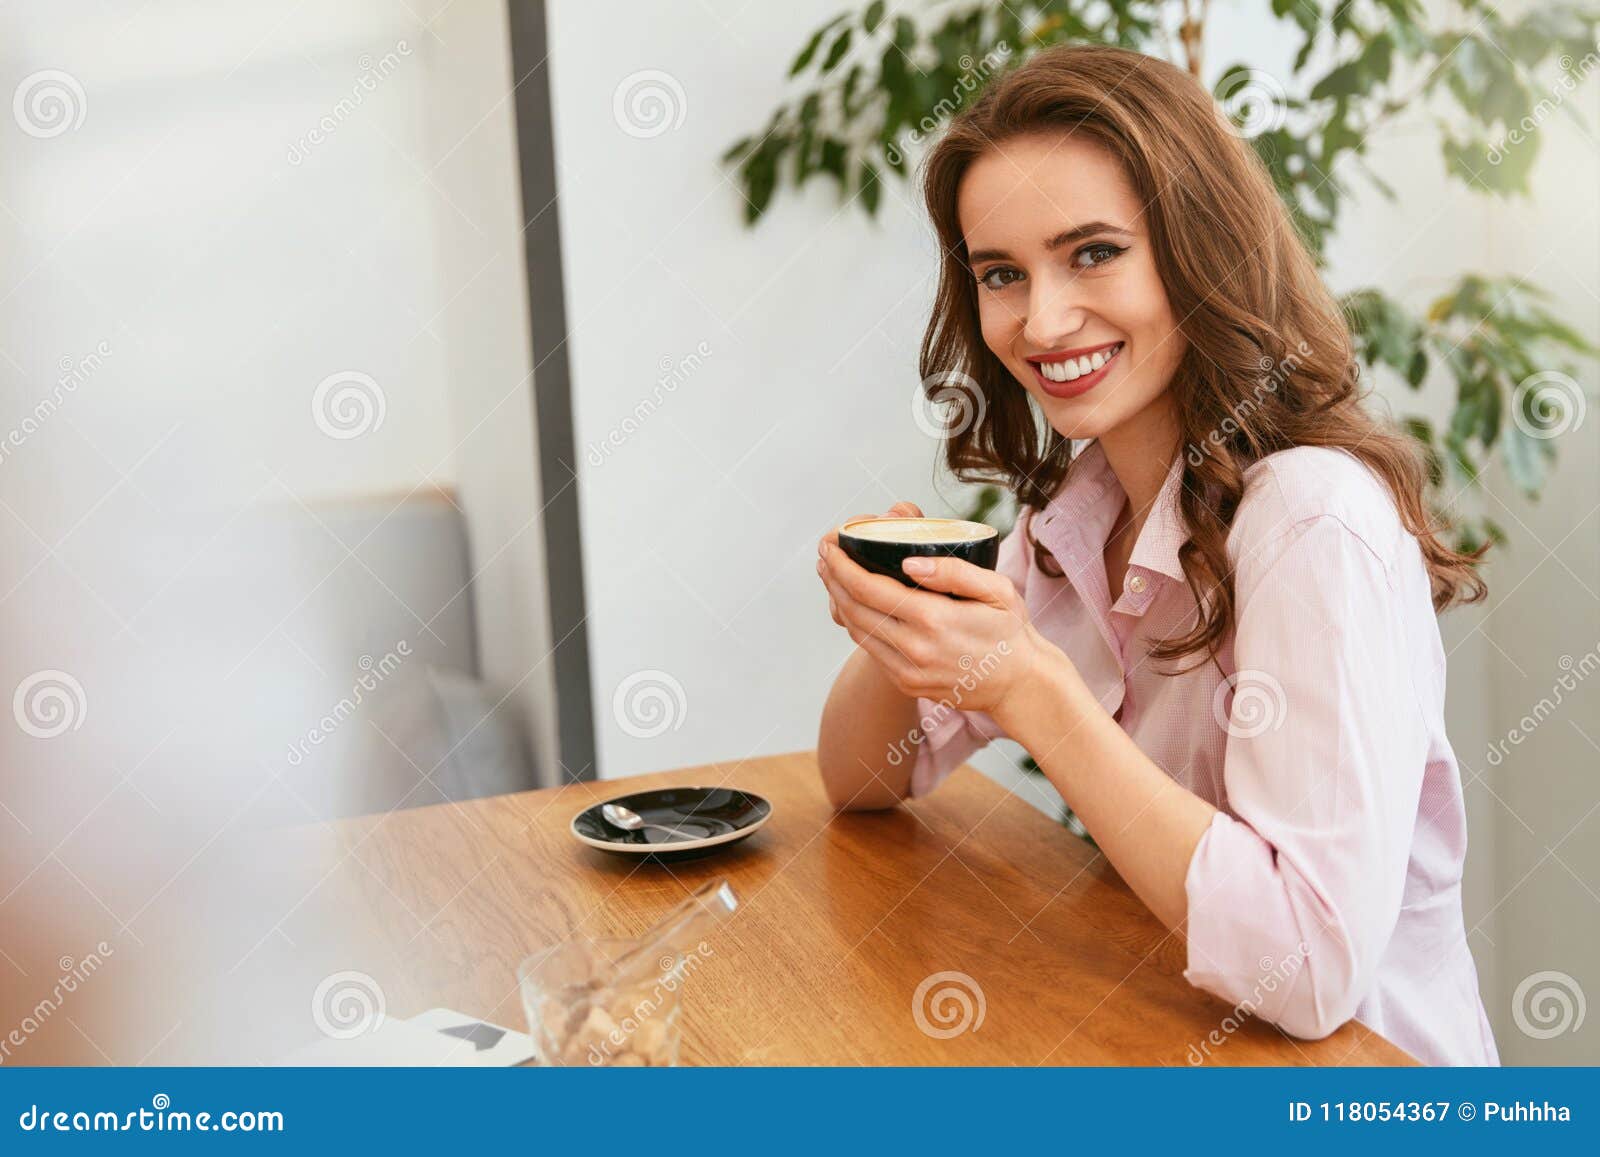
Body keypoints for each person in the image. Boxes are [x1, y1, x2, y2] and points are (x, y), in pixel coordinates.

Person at [814, 44, 1498, 1066]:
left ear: (1198, 250)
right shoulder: (1076, 522)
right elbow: (861, 780)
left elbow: (1307, 974)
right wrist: (894, 618)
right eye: (1002, 273)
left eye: (1091, 253)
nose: (1040, 320)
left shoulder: (1309, 522)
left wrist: (1036, 692)